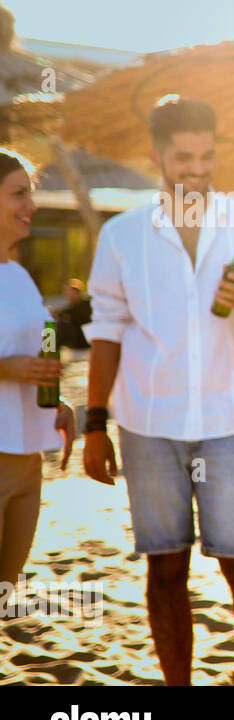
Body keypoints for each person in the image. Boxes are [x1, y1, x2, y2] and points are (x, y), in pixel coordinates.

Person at [82, 96, 234, 685]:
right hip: (146, 426)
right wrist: (94, 423)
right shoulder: (123, 235)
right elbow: (106, 332)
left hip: (228, 424)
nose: (197, 169)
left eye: (207, 156)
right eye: (183, 157)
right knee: (165, 569)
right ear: (156, 155)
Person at [0, 148, 76, 610]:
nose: (31, 205)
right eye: (17, 194)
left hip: (28, 460)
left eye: (31, 193)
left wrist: (59, 404)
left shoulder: (19, 277)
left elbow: (32, 358)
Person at [54, 280, 92, 350]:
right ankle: (51, 349)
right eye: (66, 294)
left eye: (70, 293)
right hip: (77, 341)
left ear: (76, 292)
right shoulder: (69, 309)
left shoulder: (88, 305)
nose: (68, 296)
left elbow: (75, 312)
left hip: (86, 341)